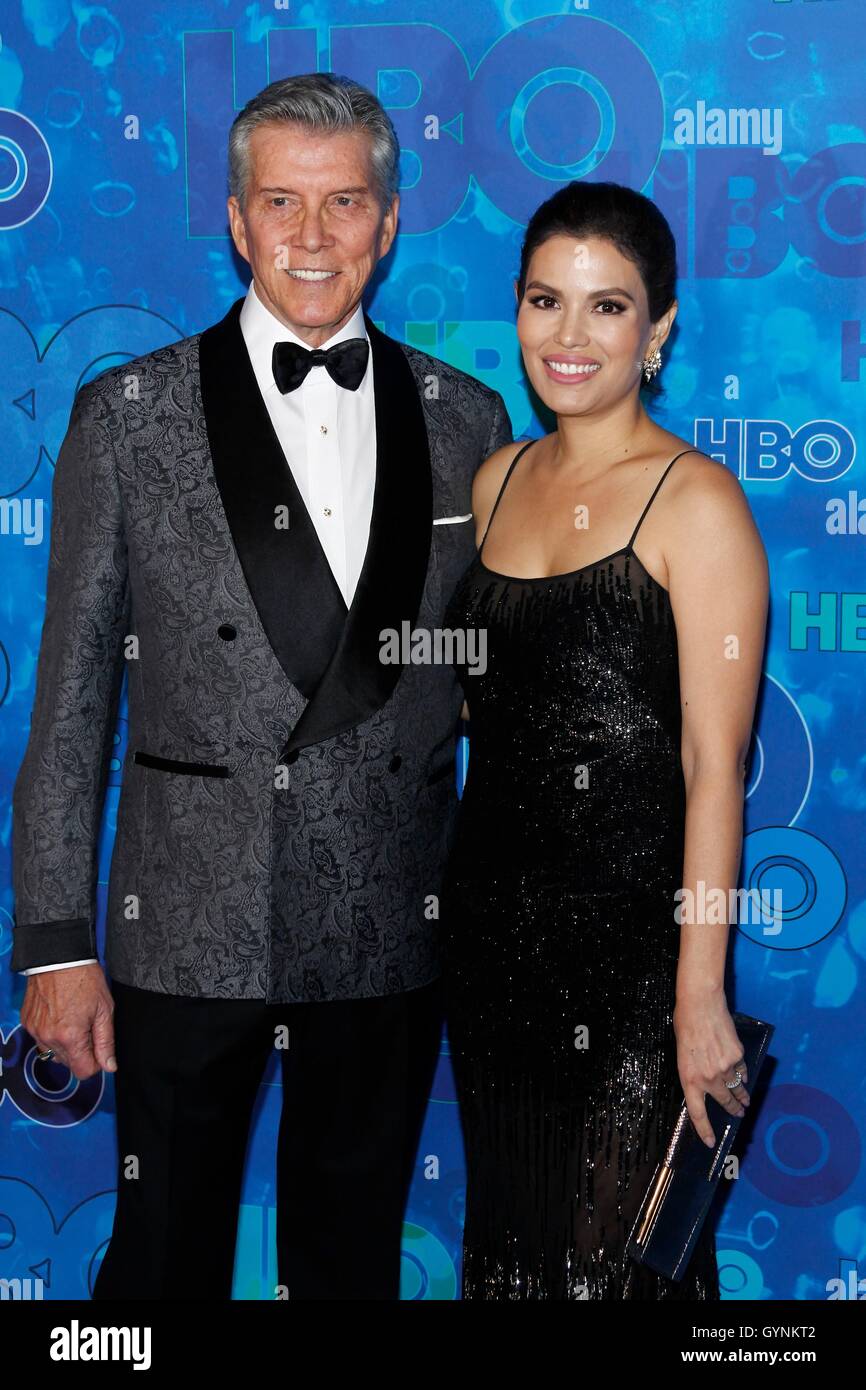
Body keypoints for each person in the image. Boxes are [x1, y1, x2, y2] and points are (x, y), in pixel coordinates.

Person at [10, 72, 512, 1300]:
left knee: (349, 1265)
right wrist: (55, 946)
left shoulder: (467, 420)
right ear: (235, 220)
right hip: (183, 923)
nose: (309, 237)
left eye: (343, 202)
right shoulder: (126, 416)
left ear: (389, 221)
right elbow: (71, 695)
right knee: (158, 1263)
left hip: (386, 919)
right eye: (279, 201)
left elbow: (460, 668)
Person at [439, 180, 768, 1300]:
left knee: (612, 1269)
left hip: (635, 960)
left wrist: (698, 990)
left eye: (605, 307)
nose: (568, 337)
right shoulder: (492, 483)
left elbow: (711, 769)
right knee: (516, 1256)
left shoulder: (695, 502)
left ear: (658, 327)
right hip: (491, 947)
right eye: (544, 301)